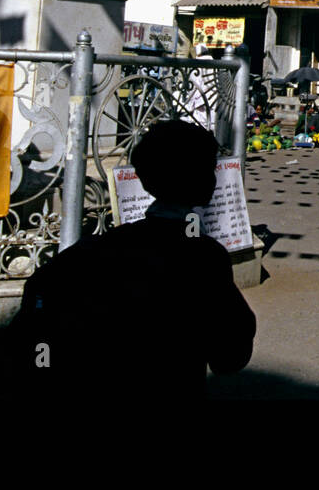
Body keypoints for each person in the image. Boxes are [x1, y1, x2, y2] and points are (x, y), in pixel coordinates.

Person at [14, 121, 255, 399]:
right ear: (199, 178)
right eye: (210, 169)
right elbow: (230, 356)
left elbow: (36, 311)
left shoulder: (99, 248)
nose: (214, 179)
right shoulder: (204, 258)